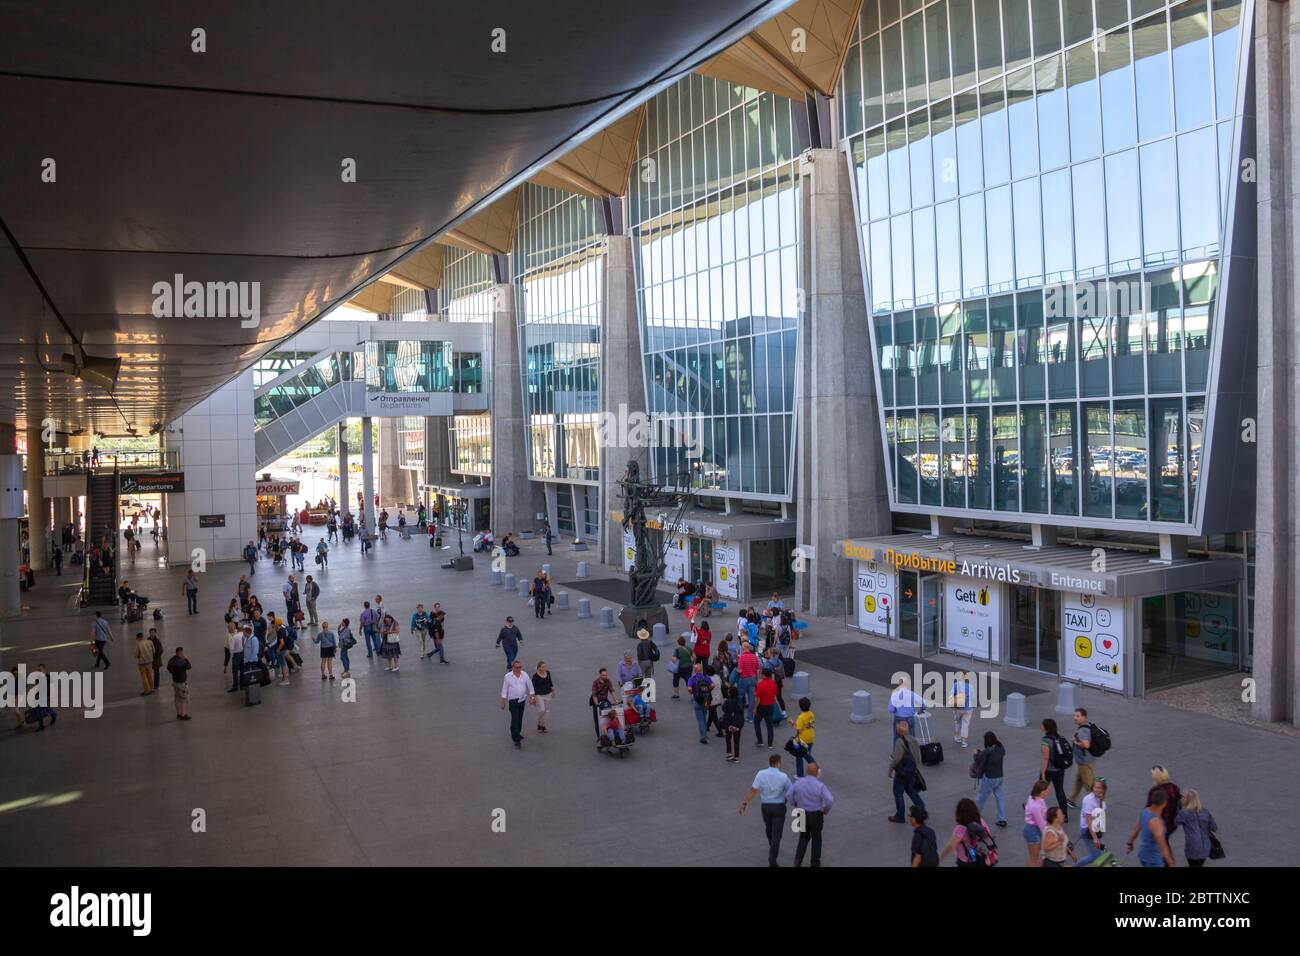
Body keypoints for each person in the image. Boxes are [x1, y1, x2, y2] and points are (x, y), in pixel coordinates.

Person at [739, 754, 792, 867]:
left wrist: (745, 802)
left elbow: (753, 790)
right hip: (779, 807)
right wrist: (787, 800)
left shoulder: (761, 773)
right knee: (777, 835)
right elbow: (790, 792)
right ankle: (772, 859)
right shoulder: (784, 776)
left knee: (769, 829)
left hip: (766, 807)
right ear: (778, 763)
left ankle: (772, 845)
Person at [787, 761, 833, 867]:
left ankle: (797, 861)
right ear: (817, 772)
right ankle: (815, 862)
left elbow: (789, 794)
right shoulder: (820, 786)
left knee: (803, 837)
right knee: (816, 838)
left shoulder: (798, 782)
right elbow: (830, 800)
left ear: (807, 771)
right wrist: (825, 810)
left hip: (802, 813)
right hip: (816, 814)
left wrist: (795, 804)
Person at [887, 718, 925, 823]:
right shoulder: (913, 739)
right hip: (912, 772)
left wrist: (890, 769)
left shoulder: (900, 741)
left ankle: (900, 815)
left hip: (902, 773)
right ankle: (921, 810)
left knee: (898, 793)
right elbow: (918, 755)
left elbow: (897, 759)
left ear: (898, 731)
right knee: (912, 792)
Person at [1127, 789, 1177, 867]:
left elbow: (1135, 830)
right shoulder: (1156, 822)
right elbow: (1162, 846)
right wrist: (1171, 863)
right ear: (1164, 803)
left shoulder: (1145, 811)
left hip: (1143, 855)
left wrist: (1129, 843)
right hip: (1153, 860)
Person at [939, 798, 994, 868]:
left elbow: (950, 846)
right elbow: (987, 834)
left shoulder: (960, 828)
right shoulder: (980, 821)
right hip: (983, 856)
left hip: (967, 860)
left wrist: (940, 859)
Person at [1038, 718, 1071, 823]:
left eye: (1042, 725)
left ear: (1046, 728)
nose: (1041, 726)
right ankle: (1064, 815)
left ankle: (1033, 809)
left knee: (1039, 790)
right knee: (1060, 791)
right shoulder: (1059, 737)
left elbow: (1045, 758)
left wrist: (1043, 772)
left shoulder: (1045, 741)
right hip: (1060, 769)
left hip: (1049, 770)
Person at [972, 731, 1008, 827]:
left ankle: (975, 815)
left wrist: (975, 753)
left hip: (989, 777)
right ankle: (1002, 819)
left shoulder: (987, 751)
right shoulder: (1001, 748)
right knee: (1000, 798)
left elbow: (978, 759)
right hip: (1000, 776)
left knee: (981, 797)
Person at [1175, 789, 1218, 867]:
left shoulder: (1184, 813)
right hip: (1205, 848)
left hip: (1192, 848)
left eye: (1183, 797)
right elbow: (1214, 828)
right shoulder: (1205, 812)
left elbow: (1176, 821)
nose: (1181, 799)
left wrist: (1178, 807)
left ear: (1187, 800)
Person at [500, 659, 535, 749]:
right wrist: (503, 701)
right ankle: (516, 739)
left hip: (522, 700)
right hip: (513, 701)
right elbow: (504, 689)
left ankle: (517, 733)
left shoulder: (524, 674)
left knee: (519, 718)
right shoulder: (507, 676)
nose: (519, 669)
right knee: (515, 719)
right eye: (517, 667)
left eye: (520, 667)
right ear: (513, 667)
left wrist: (532, 698)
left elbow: (530, 687)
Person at [1067, 707, 1096, 806]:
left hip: (1085, 761)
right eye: (1074, 716)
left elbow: (1086, 745)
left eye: (1078, 716)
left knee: (1090, 785)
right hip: (1086, 760)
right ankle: (1072, 798)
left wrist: (1075, 742)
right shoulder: (1087, 726)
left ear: (1084, 717)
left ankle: (1096, 805)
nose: (1075, 718)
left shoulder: (1082, 731)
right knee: (1079, 780)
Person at [1077, 777, 1108, 865]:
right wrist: (1095, 838)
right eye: (1096, 787)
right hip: (1088, 830)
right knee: (1095, 856)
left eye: (1100, 788)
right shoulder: (1089, 800)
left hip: (1096, 828)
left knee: (1101, 852)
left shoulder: (1100, 797)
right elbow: (1089, 820)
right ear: (1092, 787)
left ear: (1104, 789)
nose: (1097, 790)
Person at [1147, 766, 1182, 839]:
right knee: (1164, 842)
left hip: (1160, 823)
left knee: (1160, 845)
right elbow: (1179, 803)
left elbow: (1148, 808)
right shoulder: (1174, 787)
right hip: (1172, 823)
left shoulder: (1154, 791)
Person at [888, 676, 924, 741]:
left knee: (897, 737)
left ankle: (897, 750)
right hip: (910, 718)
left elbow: (890, 709)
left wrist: (896, 711)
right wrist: (921, 710)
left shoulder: (895, 694)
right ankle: (911, 750)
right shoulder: (912, 694)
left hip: (898, 718)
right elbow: (922, 703)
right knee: (911, 738)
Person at [1024, 779, 1051, 867]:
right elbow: (1041, 824)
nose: (1049, 791)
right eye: (1046, 790)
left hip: (1035, 829)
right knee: (1033, 859)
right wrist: (1049, 834)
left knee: (1036, 857)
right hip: (1032, 831)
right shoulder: (1035, 805)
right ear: (1041, 792)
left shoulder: (1038, 798)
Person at [686, 662, 713, 744]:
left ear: (695, 671)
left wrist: (693, 693)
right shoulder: (706, 677)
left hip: (697, 701)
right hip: (705, 700)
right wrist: (708, 690)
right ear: (701, 670)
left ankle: (703, 736)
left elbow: (689, 689)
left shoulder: (692, 679)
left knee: (700, 719)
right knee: (704, 716)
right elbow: (713, 685)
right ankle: (704, 733)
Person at [753, 667, 779, 748]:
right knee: (769, 725)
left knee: (757, 722)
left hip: (762, 706)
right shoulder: (774, 683)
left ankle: (760, 741)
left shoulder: (760, 684)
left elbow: (758, 698)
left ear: (763, 674)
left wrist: (755, 708)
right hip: (770, 706)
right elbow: (775, 694)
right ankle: (770, 744)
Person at [735, 641, 761, 722]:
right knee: (751, 698)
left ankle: (739, 715)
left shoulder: (742, 657)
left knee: (740, 697)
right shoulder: (754, 657)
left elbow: (740, 670)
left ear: (743, 649)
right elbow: (758, 669)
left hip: (744, 679)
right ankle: (750, 717)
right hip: (753, 679)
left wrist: (735, 672)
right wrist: (757, 679)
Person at [949, 672, 975, 748]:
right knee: (965, 724)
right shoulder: (970, 686)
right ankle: (964, 741)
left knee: (957, 722)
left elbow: (951, 695)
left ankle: (957, 738)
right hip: (968, 708)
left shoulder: (955, 685)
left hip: (957, 708)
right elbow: (973, 698)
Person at [793, 696, 816, 777]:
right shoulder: (811, 714)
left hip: (802, 739)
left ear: (800, 706)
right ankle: (814, 769)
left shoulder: (800, 717)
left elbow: (799, 730)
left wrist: (795, 737)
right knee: (807, 754)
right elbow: (808, 724)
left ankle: (800, 775)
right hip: (811, 737)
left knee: (799, 757)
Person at [167, 647, 192, 720]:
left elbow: (168, 668)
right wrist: (186, 659)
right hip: (182, 683)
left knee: (177, 698)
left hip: (175, 682)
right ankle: (183, 714)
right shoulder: (182, 661)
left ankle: (178, 714)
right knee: (184, 698)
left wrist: (173, 673)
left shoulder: (171, 660)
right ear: (180, 653)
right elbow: (189, 667)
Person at [721, 684, 744, 762]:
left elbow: (723, 709)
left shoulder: (728, 701)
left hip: (729, 722)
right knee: (737, 740)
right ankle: (736, 756)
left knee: (728, 738)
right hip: (738, 723)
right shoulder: (740, 700)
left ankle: (729, 754)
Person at [532, 661, 555, 734]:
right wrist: (533, 698)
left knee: (547, 710)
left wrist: (553, 691)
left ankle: (541, 725)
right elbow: (533, 687)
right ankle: (540, 722)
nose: (544, 668)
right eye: (543, 667)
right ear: (539, 668)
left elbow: (550, 682)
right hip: (539, 695)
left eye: (545, 666)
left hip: (548, 693)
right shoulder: (535, 676)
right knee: (542, 709)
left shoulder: (548, 672)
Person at [226, 626, 247, 692]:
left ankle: (235, 686)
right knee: (242, 670)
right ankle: (242, 685)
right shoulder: (244, 636)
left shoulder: (234, 637)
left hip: (236, 655)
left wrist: (232, 653)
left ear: (237, 630)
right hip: (243, 654)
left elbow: (231, 648)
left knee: (235, 671)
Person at [133, 632, 154, 696]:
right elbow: (154, 650)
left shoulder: (138, 645)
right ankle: (152, 688)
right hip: (150, 661)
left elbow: (136, 654)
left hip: (142, 663)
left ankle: (147, 690)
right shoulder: (150, 642)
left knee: (144, 676)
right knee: (150, 675)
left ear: (138, 638)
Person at [147, 627, 164, 693]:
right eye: (150, 633)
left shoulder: (157, 641)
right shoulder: (148, 639)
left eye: (153, 633)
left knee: (156, 673)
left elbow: (161, 650)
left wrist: (155, 657)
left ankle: (156, 685)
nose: (151, 634)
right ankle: (150, 684)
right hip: (149, 659)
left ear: (155, 633)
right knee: (149, 673)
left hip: (156, 660)